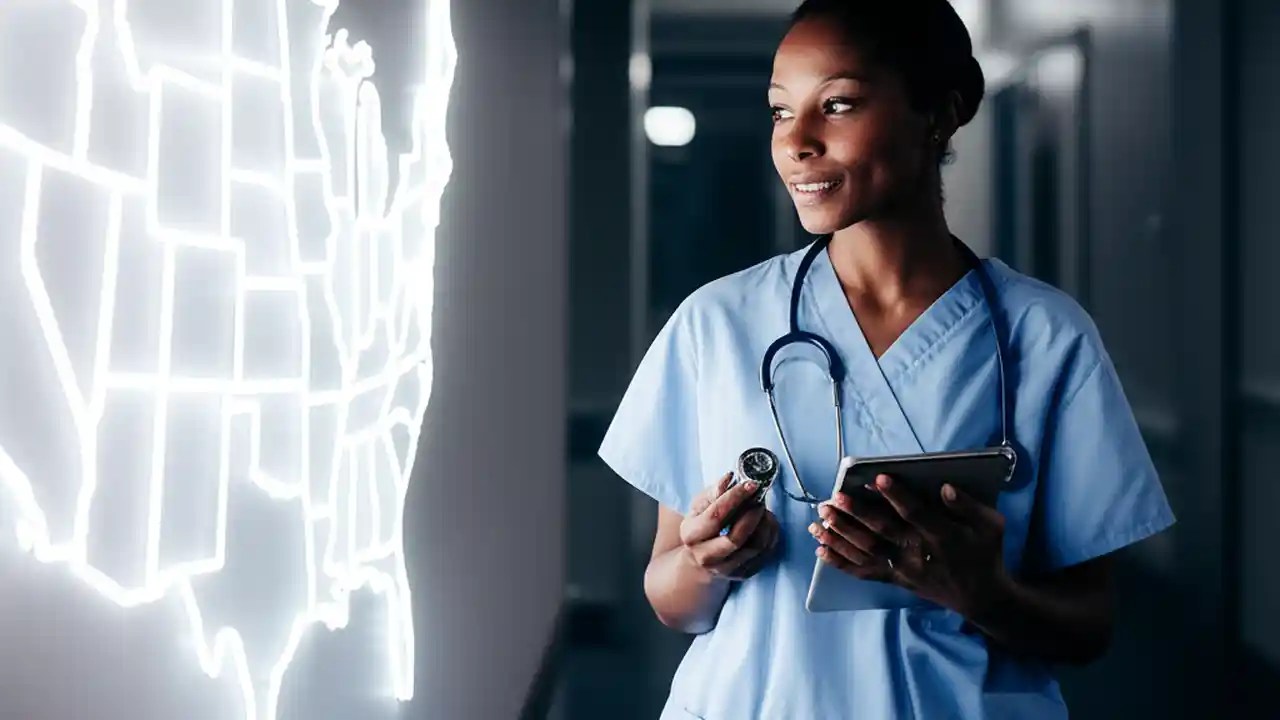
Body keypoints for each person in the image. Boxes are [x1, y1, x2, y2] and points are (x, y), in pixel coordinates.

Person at [597, 0, 1177, 717]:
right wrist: (704, 560)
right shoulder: (716, 324)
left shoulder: (1046, 337)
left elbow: (1089, 627)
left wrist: (981, 591)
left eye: (837, 104)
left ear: (942, 111)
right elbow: (671, 601)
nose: (796, 142)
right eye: (781, 112)